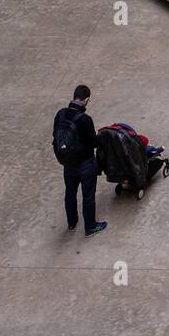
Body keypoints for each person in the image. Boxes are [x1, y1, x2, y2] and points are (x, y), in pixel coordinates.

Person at [52, 84, 107, 237]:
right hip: (85, 164)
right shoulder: (85, 120)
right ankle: (90, 227)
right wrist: (99, 137)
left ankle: (71, 223)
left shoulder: (61, 114)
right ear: (87, 99)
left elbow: (55, 135)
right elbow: (93, 143)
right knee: (88, 195)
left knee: (70, 192)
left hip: (67, 162)